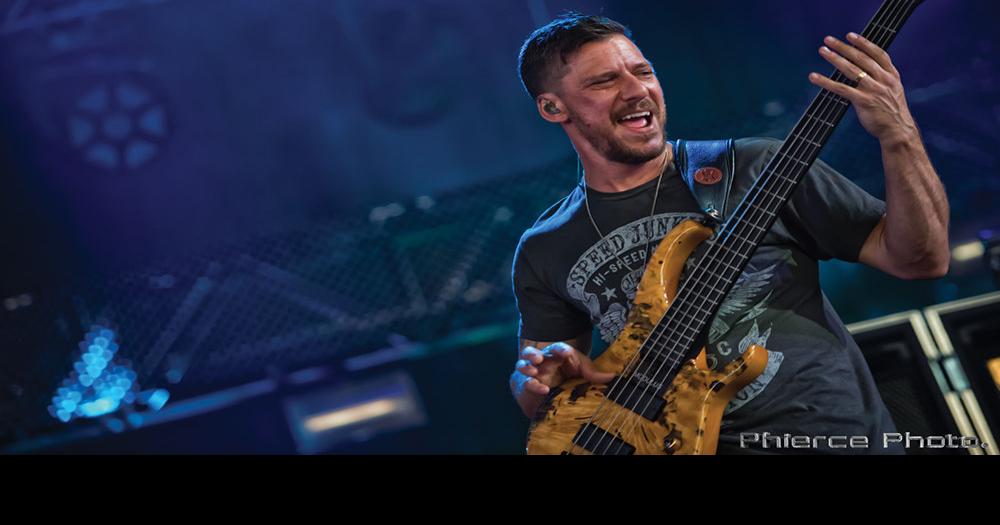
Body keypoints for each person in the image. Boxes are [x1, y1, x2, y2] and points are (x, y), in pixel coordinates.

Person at [508, 13, 949, 454]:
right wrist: (535, 382)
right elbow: (545, 396)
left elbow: (921, 259)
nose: (637, 90)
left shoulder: (757, 168)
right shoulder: (546, 245)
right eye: (604, 81)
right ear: (553, 107)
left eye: (643, 72)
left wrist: (899, 135)